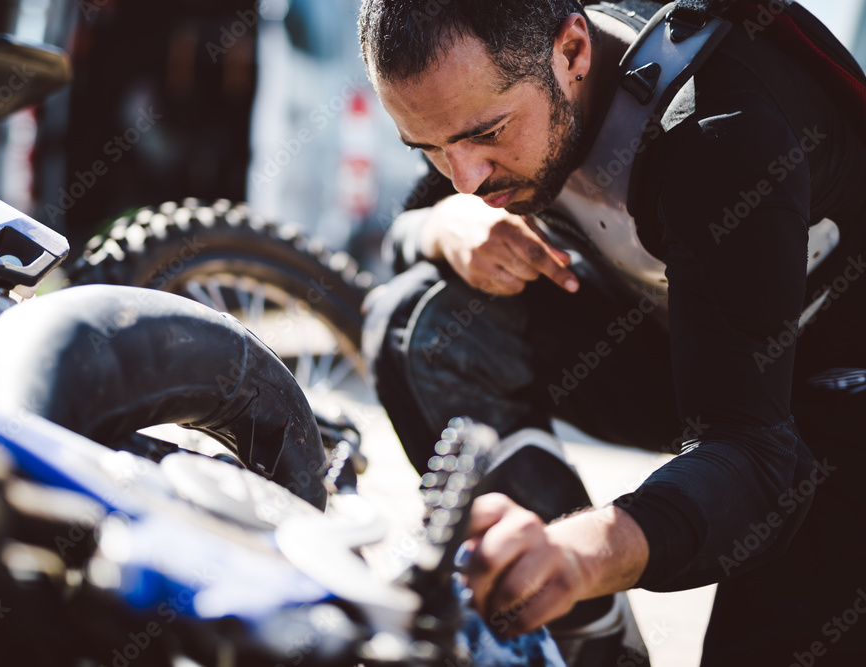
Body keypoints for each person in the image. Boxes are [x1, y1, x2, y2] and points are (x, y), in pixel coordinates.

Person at [357, 0, 866, 665]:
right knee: (417, 318)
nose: (464, 177)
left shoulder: (721, 125)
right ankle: (587, 636)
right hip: (695, 346)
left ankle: (559, 575)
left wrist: (582, 550)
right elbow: (407, 236)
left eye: (488, 134)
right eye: (426, 148)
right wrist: (441, 228)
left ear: (572, 51)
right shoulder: (485, 97)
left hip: (834, 392)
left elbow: (756, 456)